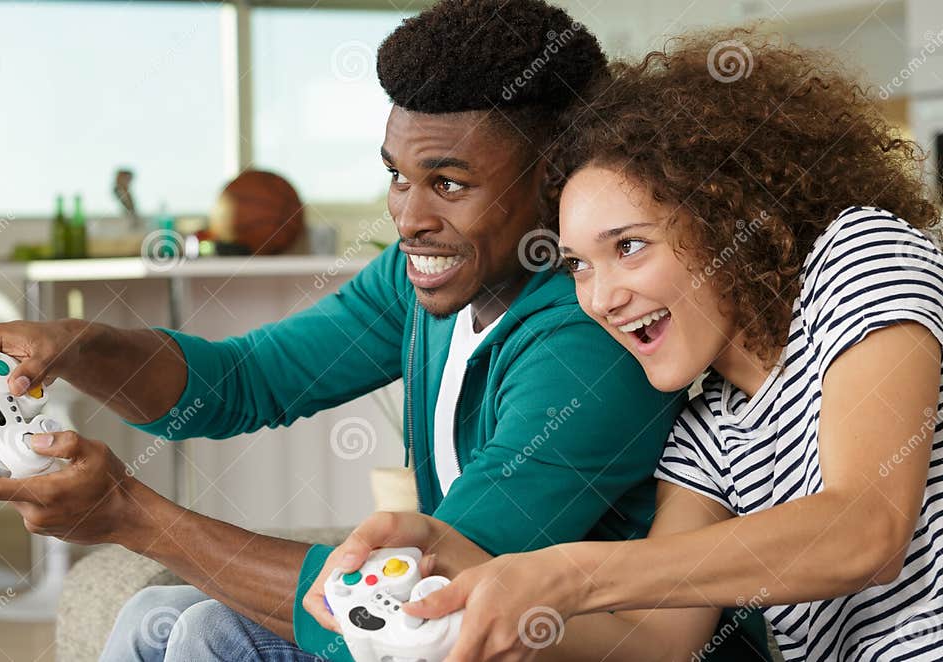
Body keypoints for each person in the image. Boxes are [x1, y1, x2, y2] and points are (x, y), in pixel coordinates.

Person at [0, 4, 765, 661]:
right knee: (165, 614)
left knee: (203, 629)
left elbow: (410, 612)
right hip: (446, 624)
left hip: (503, 637)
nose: (409, 219)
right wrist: (77, 345)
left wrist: (128, 513)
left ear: (558, 179)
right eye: (397, 176)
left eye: (449, 183)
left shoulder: (590, 346)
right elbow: (237, 384)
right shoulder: (427, 280)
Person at [315, 29, 943, 661]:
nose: (601, 298)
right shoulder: (709, 433)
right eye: (578, 266)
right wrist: (457, 565)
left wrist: (566, 574)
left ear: (726, 217)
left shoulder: (860, 259)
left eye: (629, 246)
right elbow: (655, 643)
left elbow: (865, 532)